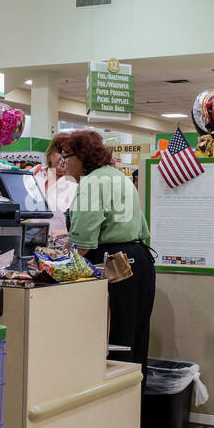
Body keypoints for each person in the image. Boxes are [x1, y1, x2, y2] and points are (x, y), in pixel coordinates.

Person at [59, 130, 155, 372]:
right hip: (140, 260)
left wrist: (55, 266)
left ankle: (113, 407)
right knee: (136, 341)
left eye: (66, 156)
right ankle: (135, 406)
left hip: (114, 266)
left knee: (114, 343)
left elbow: (83, 243)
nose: (63, 162)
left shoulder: (91, 182)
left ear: (82, 156)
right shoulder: (118, 176)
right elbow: (143, 229)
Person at [30, 134, 77, 243]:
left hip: (60, 248)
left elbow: (87, 224)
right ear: (50, 152)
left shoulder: (77, 182)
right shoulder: (35, 172)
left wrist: (63, 231)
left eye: (68, 154)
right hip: (29, 242)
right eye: (60, 152)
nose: (63, 158)